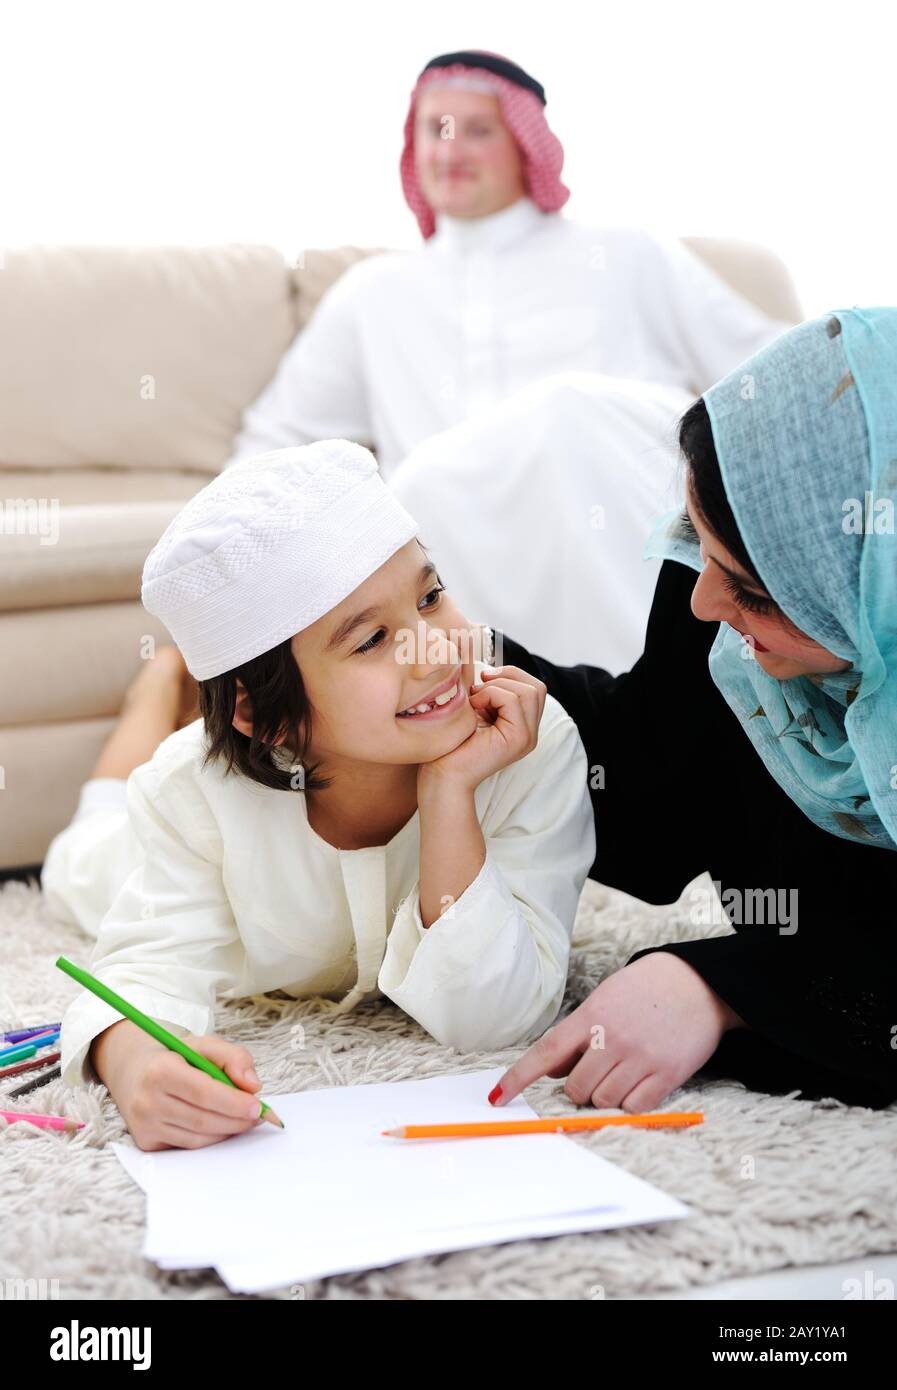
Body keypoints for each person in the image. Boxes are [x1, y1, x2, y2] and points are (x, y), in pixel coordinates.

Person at [43, 440, 596, 1151]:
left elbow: (495, 1019)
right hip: (142, 829)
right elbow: (139, 969)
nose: (436, 649)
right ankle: (154, 692)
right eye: (371, 640)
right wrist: (133, 1060)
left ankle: (169, 689)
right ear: (264, 714)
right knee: (80, 857)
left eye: (430, 597)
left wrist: (450, 791)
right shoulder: (188, 798)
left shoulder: (529, 744)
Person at [225, 48, 791, 670]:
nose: (449, 150)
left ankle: (667, 688)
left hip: (617, 486)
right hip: (454, 525)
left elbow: (772, 370)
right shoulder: (373, 292)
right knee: (416, 492)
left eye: (477, 129)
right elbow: (276, 444)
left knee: (564, 412)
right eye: (432, 130)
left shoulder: (628, 254)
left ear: (526, 144)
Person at [485, 307, 897, 1113]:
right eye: (694, 543)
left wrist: (721, 989)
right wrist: (462, 667)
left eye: (749, 587)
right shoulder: (717, 612)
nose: (706, 601)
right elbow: (647, 794)